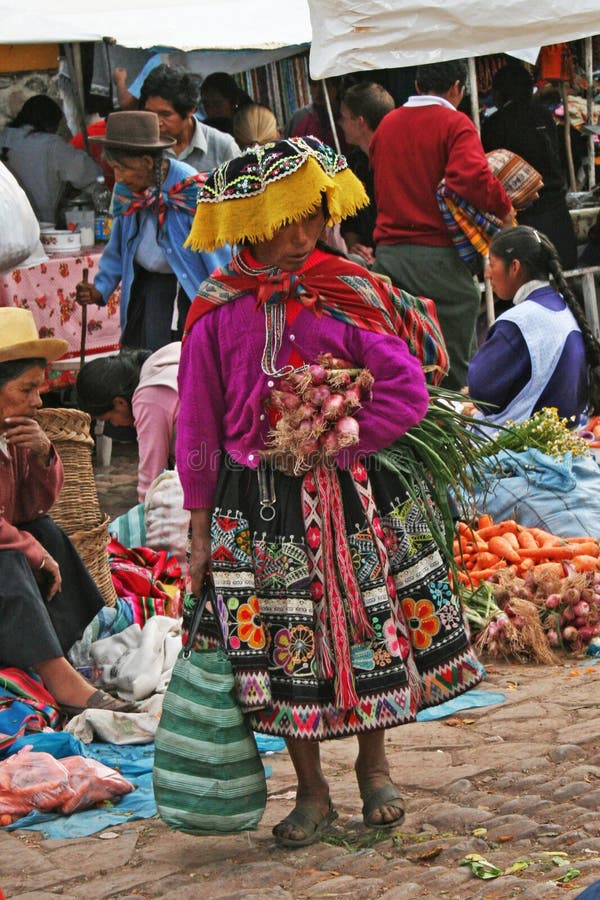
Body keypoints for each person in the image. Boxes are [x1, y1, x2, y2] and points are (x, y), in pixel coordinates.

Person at [178, 136, 484, 848]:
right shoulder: (216, 309)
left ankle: (375, 769)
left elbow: (406, 388)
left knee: (364, 626)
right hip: (252, 504)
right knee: (286, 646)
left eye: (311, 219)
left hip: (346, 497)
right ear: (248, 222)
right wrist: (197, 530)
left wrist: (340, 438)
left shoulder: (341, 292)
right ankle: (310, 791)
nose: (300, 236)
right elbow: (195, 421)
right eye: (283, 222)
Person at [0, 308, 135, 717]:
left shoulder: (14, 435)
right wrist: (32, 553)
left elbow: (32, 507)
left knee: (45, 530)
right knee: (12, 557)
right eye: (26, 390)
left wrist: (42, 455)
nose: (37, 401)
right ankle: (59, 678)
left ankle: (62, 648)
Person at [370, 60, 515, 391]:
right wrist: (504, 210)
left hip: (388, 257)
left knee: (404, 361)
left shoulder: (387, 125)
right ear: (457, 88)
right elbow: (472, 176)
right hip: (438, 261)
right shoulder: (455, 123)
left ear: (418, 86)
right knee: (452, 368)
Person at [75, 111, 230, 352]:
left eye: (122, 169)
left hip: (186, 291)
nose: (118, 177)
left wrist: (226, 303)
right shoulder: (127, 188)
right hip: (146, 285)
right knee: (142, 357)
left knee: (182, 358)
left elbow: (217, 255)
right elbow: (118, 246)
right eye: (113, 168)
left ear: (147, 163)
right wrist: (100, 287)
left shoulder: (190, 189)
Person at [468, 226, 600, 429]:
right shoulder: (563, 304)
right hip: (565, 432)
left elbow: (481, 390)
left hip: (524, 443)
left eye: (492, 264)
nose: (486, 273)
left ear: (514, 267)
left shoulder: (519, 321)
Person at [481, 63, 578, 270]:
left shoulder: (495, 124)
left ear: (499, 93)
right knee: (564, 271)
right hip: (556, 209)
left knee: (532, 275)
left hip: (524, 216)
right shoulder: (544, 116)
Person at [77, 343, 180, 503]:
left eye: (109, 419)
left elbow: (152, 477)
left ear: (120, 403)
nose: (116, 425)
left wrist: (144, 519)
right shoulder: (158, 362)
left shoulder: (149, 397)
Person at [0, 95, 101, 224]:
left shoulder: (4, 138)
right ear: (50, 124)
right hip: (39, 225)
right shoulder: (50, 145)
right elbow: (89, 174)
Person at [139, 65, 240, 173]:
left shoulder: (223, 147)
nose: (157, 123)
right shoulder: (140, 148)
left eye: (165, 114)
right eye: (150, 114)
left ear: (190, 111)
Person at [337, 81, 395, 267]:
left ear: (360, 122)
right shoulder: (353, 163)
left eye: (344, 117)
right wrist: (356, 248)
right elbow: (350, 220)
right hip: (366, 261)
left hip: (397, 257)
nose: (340, 123)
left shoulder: (397, 160)